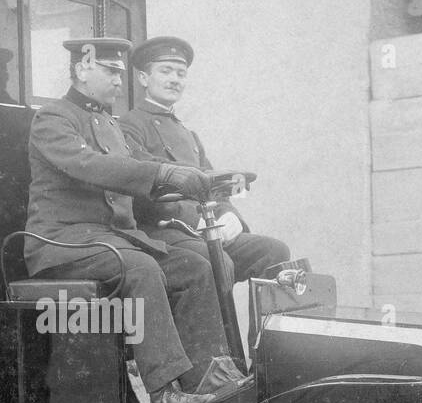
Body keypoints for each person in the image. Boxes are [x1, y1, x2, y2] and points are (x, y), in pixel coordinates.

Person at [25, 37, 249, 403]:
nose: (117, 80)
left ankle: (208, 378)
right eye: (110, 71)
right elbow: (91, 166)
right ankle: (164, 395)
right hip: (62, 240)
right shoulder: (53, 119)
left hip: (110, 240)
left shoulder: (110, 124)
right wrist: (163, 172)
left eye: (119, 72)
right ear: (82, 69)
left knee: (195, 266)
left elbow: (141, 170)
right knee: (142, 269)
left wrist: (192, 181)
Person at [120, 36, 293, 286]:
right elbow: (141, 191)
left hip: (204, 229)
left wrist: (229, 216)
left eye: (181, 73)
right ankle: (220, 326)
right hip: (160, 231)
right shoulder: (130, 126)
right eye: (165, 71)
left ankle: (258, 326)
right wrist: (195, 220)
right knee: (217, 260)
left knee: (274, 252)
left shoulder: (189, 136)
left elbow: (216, 185)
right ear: (144, 78)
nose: (174, 80)